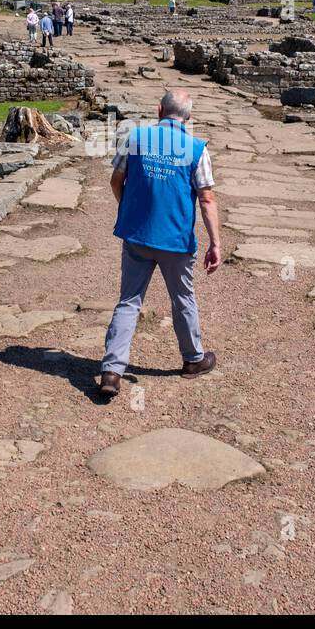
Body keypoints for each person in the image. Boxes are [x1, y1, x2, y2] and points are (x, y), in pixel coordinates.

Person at [99, 89, 222, 398]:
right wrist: (215, 243)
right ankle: (193, 359)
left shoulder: (136, 138)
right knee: (183, 298)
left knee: (129, 301)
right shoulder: (196, 148)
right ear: (189, 117)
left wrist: (126, 206)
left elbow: (116, 179)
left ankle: (112, 371)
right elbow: (206, 199)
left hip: (138, 234)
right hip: (176, 239)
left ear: (158, 110)